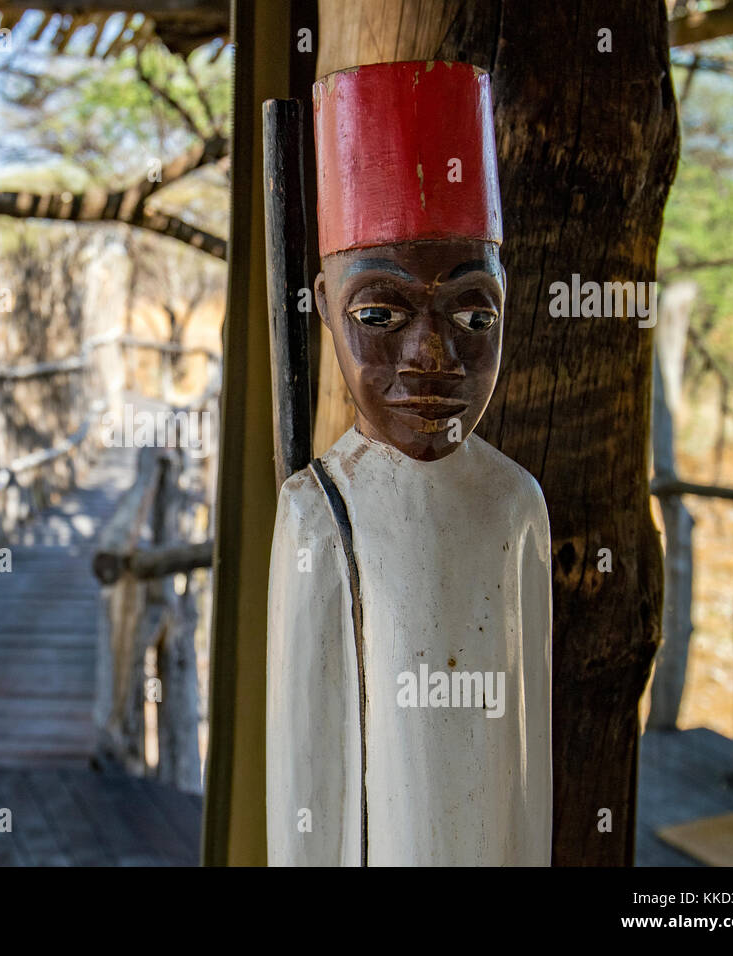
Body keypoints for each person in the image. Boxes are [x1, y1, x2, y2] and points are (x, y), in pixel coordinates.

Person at [266, 61, 553, 866]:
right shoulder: (318, 510)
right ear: (323, 304)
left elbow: (530, 758)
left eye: (471, 312)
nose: (431, 355)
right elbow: (303, 770)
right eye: (381, 313)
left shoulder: (514, 505)